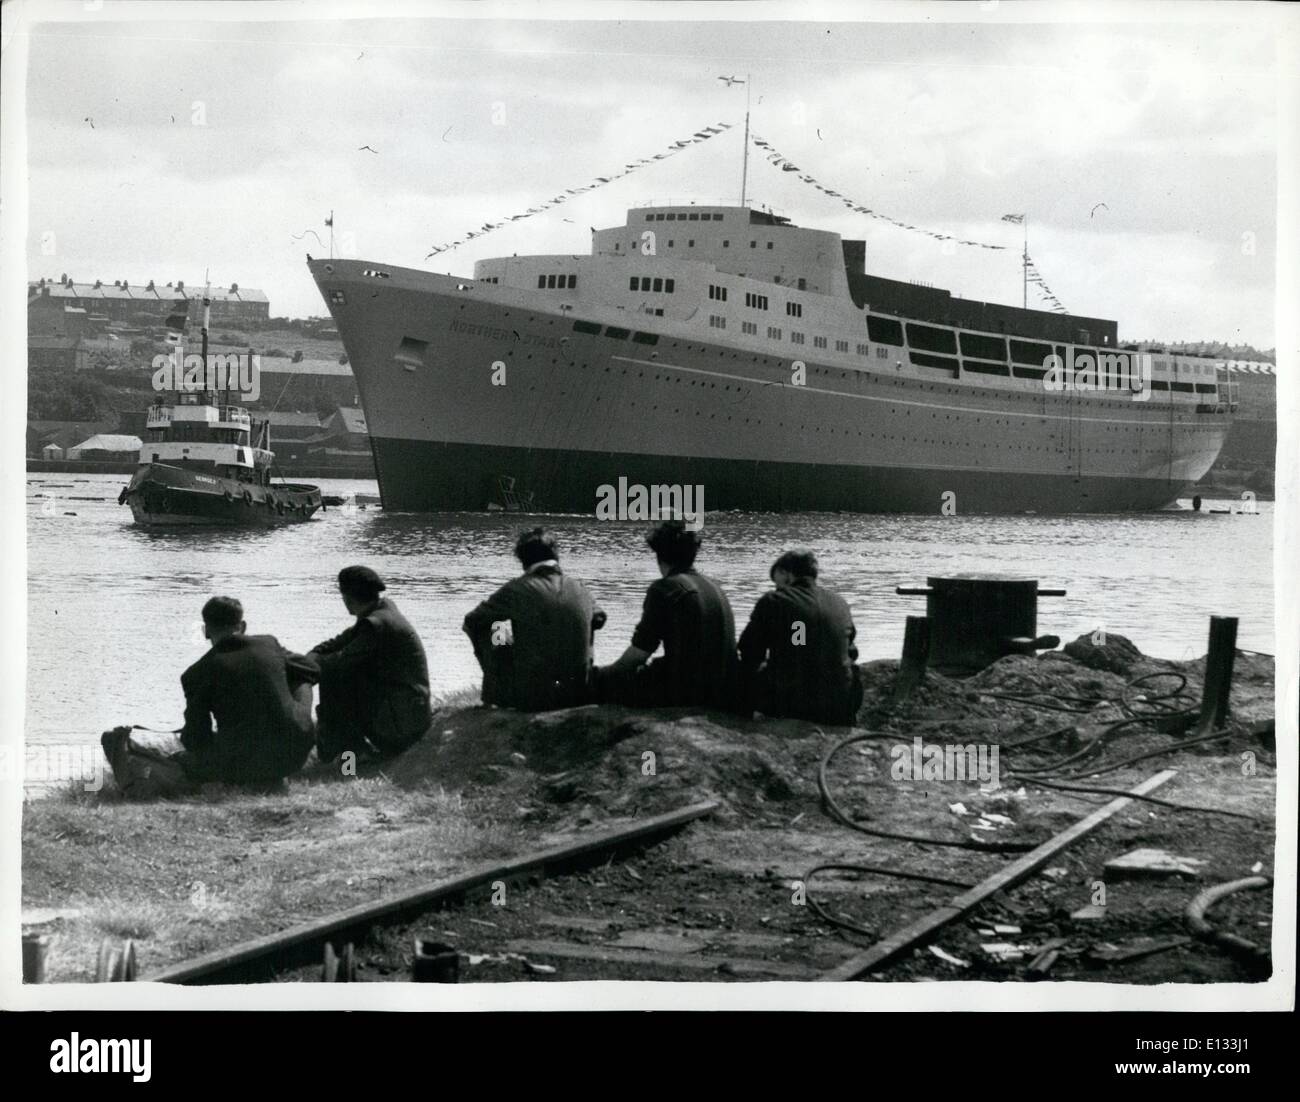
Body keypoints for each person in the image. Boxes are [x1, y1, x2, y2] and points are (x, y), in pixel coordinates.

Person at [100, 596, 318, 798]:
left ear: (206, 631)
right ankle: (289, 732)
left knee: (179, 757)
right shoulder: (268, 644)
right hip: (296, 751)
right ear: (242, 626)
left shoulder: (196, 674)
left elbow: (197, 739)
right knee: (301, 677)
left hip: (245, 764)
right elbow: (311, 668)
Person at [596, 520, 739, 709]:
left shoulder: (664, 588)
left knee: (601, 681)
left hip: (684, 694)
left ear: (658, 553)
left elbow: (639, 654)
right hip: (722, 692)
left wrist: (602, 673)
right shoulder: (716, 588)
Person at [463, 527, 606, 710]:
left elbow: (473, 621)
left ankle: (497, 692)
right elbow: (599, 618)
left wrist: (508, 640)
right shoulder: (580, 588)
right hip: (579, 693)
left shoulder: (517, 588)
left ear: (522, 560)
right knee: (577, 621)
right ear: (556, 556)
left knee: (495, 624)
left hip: (532, 697)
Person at [310, 565, 432, 761]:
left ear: (348, 598)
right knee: (341, 672)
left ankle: (348, 753)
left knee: (334, 674)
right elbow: (338, 642)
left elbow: (340, 661)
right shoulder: (381, 611)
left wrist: (307, 667)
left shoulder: (376, 624)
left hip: (402, 727)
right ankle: (343, 748)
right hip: (410, 714)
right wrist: (313, 655)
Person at [738, 549, 863, 725]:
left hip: (793, 705)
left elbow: (748, 650)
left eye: (776, 582)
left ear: (785, 573)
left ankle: (739, 721)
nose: (776, 588)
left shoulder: (775, 601)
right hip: (841, 703)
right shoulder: (839, 602)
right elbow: (851, 652)